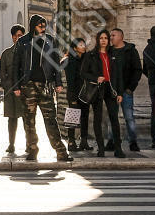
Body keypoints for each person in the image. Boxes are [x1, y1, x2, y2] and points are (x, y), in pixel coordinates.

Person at [12, 13, 73, 162]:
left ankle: (61, 151)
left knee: (50, 119)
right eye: (40, 25)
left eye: (44, 25)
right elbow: (16, 65)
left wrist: (58, 83)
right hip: (28, 85)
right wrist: (16, 86)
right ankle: (32, 149)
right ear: (33, 25)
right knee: (29, 120)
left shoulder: (50, 41)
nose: (43, 28)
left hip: (45, 85)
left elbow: (55, 63)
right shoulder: (23, 41)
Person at [79, 29, 124, 158]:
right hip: (97, 89)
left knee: (114, 118)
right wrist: (95, 78)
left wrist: (120, 92)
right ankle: (101, 148)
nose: (103, 40)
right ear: (97, 40)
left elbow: (118, 75)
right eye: (101, 38)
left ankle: (118, 148)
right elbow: (83, 73)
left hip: (111, 89)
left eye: (106, 38)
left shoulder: (113, 54)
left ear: (108, 41)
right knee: (97, 119)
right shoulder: (91, 55)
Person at [108, 28, 144, 152]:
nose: (111, 37)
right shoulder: (109, 51)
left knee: (129, 117)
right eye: (110, 35)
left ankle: (133, 142)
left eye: (113, 35)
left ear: (121, 37)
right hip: (112, 91)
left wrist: (130, 88)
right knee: (112, 117)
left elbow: (137, 70)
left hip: (126, 91)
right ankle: (111, 141)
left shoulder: (130, 51)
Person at [0, 23, 26, 155]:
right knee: (12, 119)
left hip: (25, 91)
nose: (17, 38)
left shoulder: (27, 53)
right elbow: (2, 75)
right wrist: (10, 87)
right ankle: (11, 144)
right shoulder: (6, 54)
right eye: (16, 36)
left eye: (20, 36)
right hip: (10, 92)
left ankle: (29, 144)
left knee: (27, 119)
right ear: (12, 37)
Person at [62, 36, 90, 151]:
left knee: (85, 117)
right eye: (80, 45)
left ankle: (84, 141)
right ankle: (71, 142)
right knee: (72, 117)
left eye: (84, 45)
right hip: (74, 93)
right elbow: (70, 80)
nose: (83, 47)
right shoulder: (69, 61)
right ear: (75, 48)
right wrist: (73, 96)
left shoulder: (87, 59)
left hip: (85, 93)